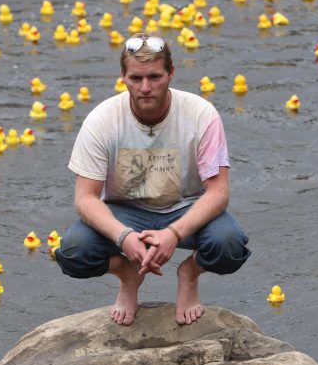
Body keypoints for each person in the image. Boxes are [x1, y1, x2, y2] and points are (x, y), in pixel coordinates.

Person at [54, 33, 250, 326]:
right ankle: (127, 274)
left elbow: (218, 192)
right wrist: (124, 237)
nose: (145, 88)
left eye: (155, 77)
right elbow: (85, 198)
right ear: (122, 77)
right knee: (73, 252)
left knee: (230, 246)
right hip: (125, 211)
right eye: (136, 78)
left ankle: (189, 274)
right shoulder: (101, 120)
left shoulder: (201, 115)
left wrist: (173, 234)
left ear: (171, 73)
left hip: (185, 208)